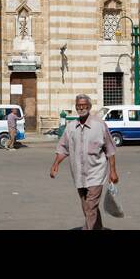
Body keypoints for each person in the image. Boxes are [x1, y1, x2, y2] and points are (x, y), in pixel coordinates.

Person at [50, 94, 118, 230]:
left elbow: (110, 149)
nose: (81, 108)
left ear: (89, 106)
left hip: (96, 174)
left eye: (84, 105)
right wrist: (55, 164)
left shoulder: (99, 125)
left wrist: (113, 171)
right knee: (86, 206)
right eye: (78, 105)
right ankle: (97, 227)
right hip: (79, 175)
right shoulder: (71, 127)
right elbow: (63, 147)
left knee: (91, 206)